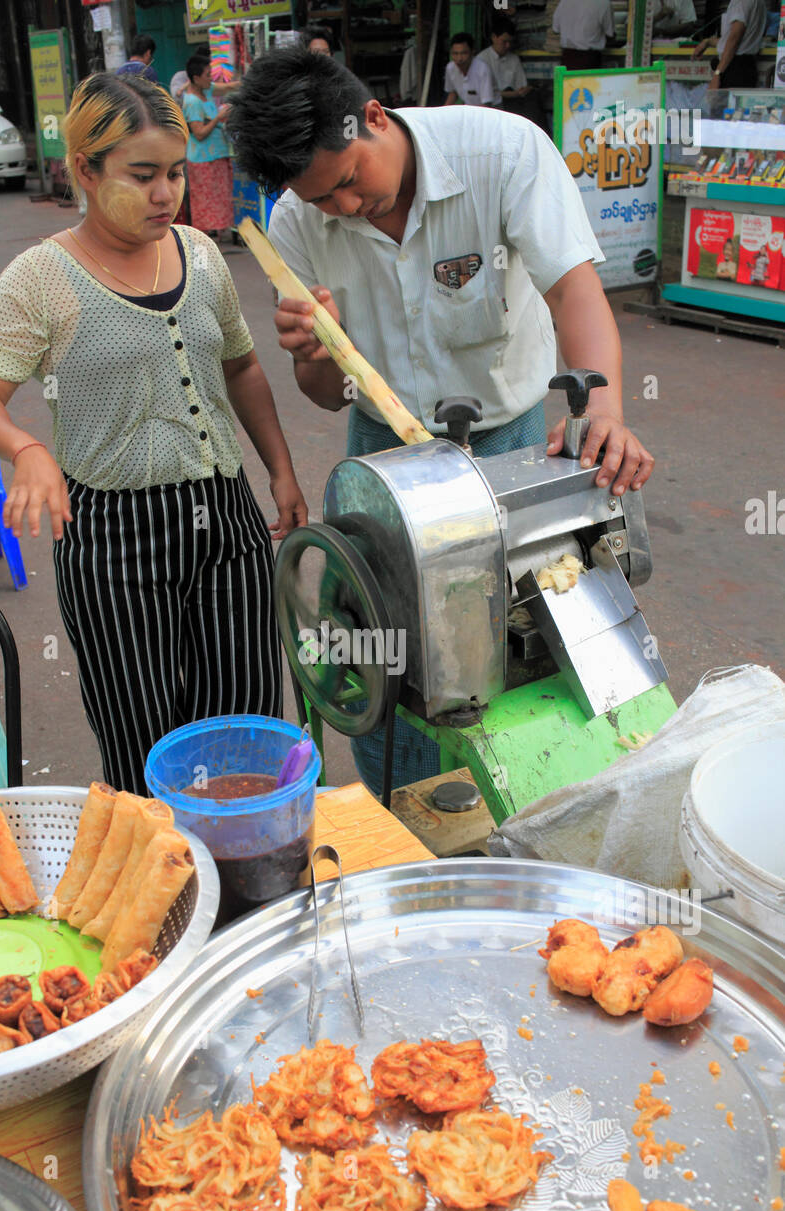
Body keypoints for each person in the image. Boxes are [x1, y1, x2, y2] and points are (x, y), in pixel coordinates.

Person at [226, 50, 654, 793]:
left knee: (519, 644)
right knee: (389, 664)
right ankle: (404, 814)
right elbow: (324, 393)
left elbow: (575, 294)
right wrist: (313, 350)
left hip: (507, 439)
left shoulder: (502, 152)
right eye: (322, 201)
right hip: (385, 457)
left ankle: (531, 806)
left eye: (349, 183)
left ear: (374, 117)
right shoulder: (298, 218)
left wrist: (606, 409)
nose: (345, 210)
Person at [0, 73, 307, 795]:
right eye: (141, 175)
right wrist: (26, 449)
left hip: (226, 517)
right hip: (113, 533)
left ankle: (240, 889)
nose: (165, 193)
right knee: (141, 736)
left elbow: (241, 368)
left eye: (175, 172)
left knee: (243, 727)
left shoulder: (202, 256)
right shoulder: (41, 279)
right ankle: (167, 896)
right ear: (85, 169)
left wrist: (280, 469)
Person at [182, 54, 234, 241]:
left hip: (216, 155)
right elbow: (199, 133)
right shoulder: (193, 102)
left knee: (218, 200)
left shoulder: (206, 91)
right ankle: (204, 242)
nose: (210, 78)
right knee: (205, 204)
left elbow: (229, 87)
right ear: (196, 78)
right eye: (207, 75)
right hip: (203, 160)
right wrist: (218, 118)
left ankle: (213, 239)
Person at [693, 0, 768, 91]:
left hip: (734, 68)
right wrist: (708, 42)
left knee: (725, 103)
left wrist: (718, 73)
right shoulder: (758, 2)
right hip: (747, 65)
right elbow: (736, 40)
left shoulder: (741, 2)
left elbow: (734, 39)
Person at [477, 17, 530, 107]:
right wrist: (514, 94)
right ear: (494, 37)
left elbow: (521, 86)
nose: (508, 45)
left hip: (512, 104)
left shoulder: (514, 59)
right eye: (504, 41)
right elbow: (484, 93)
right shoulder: (481, 59)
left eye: (510, 42)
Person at [552, 0, 615, 71]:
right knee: (589, 81)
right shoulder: (604, 3)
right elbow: (610, 34)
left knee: (568, 81)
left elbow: (555, 29)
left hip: (568, 58)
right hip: (590, 59)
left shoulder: (564, 2)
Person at [443, 32, 495, 107]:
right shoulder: (450, 68)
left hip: (492, 109)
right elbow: (453, 93)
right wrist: (443, 112)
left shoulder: (483, 69)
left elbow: (487, 103)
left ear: (472, 52)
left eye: (464, 53)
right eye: (455, 53)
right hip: (469, 108)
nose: (459, 58)